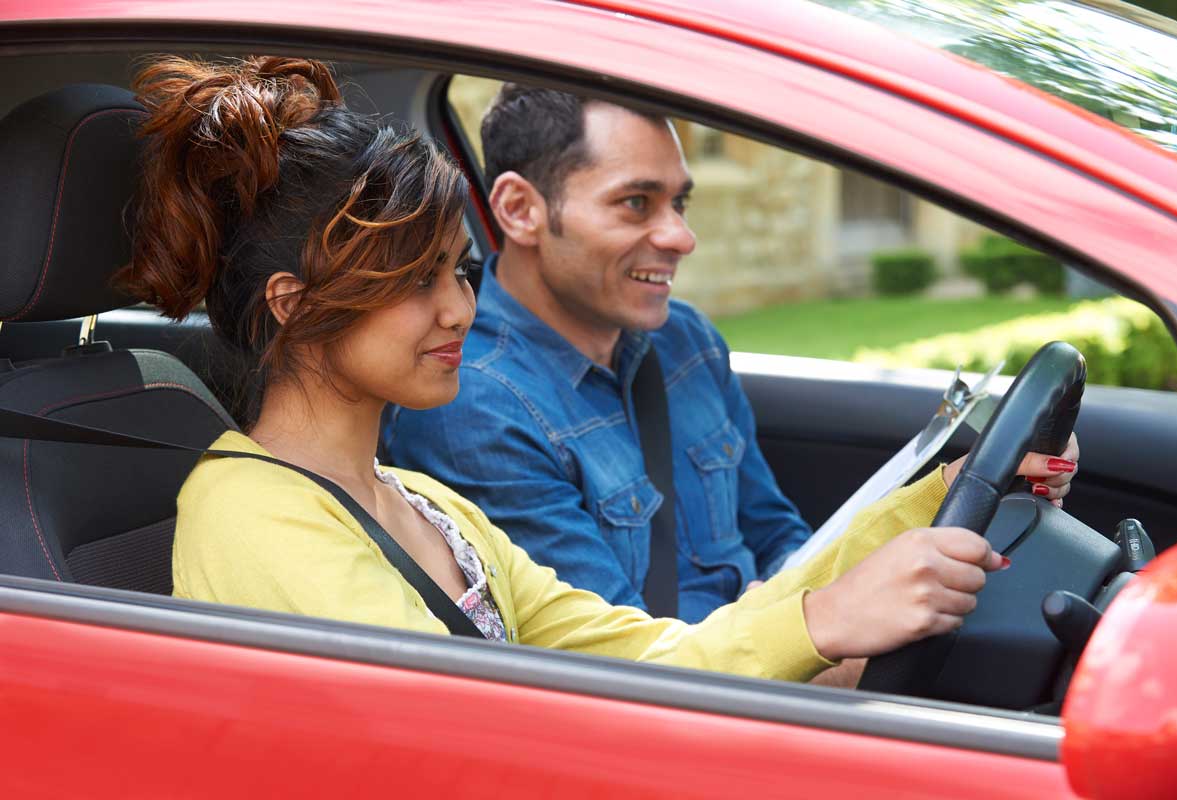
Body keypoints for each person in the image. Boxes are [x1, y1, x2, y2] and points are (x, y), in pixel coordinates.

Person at [124, 56, 1074, 685]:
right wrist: (826, 622)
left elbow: (661, 655)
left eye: (457, 269)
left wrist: (934, 502)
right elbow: (446, 744)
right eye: (410, 282)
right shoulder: (248, 509)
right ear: (292, 303)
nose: (461, 307)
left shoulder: (425, 505)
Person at [384, 85, 1079, 622]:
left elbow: (780, 540)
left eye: (679, 203)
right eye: (636, 204)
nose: (680, 237)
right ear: (518, 210)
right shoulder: (472, 403)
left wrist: (954, 495)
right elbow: (618, 663)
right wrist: (836, 637)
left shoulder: (684, 340)